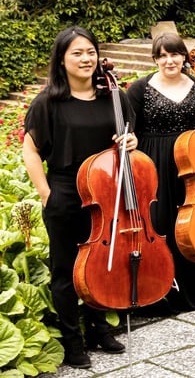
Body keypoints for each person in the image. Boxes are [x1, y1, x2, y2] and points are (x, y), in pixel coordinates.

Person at [22, 27, 133, 368]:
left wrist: (132, 143)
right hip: (67, 191)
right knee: (66, 270)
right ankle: (73, 340)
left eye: (90, 52)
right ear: (62, 59)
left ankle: (100, 327)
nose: (86, 59)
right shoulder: (48, 102)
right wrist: (46, 194)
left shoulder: (113, 96)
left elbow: (128, 138)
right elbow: (30, 149)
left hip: (105, 191)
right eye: (77, 53)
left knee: (100, 263)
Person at [127, 33, 195, 313]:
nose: (170, 61)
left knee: (194, 223)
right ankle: (162, 290)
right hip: (155, 162)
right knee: (162, 223)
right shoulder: (140, 88)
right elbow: (130, 130)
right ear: (155, 59)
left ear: (184, 56)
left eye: (175, 54)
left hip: (192, 164)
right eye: (163, 56)